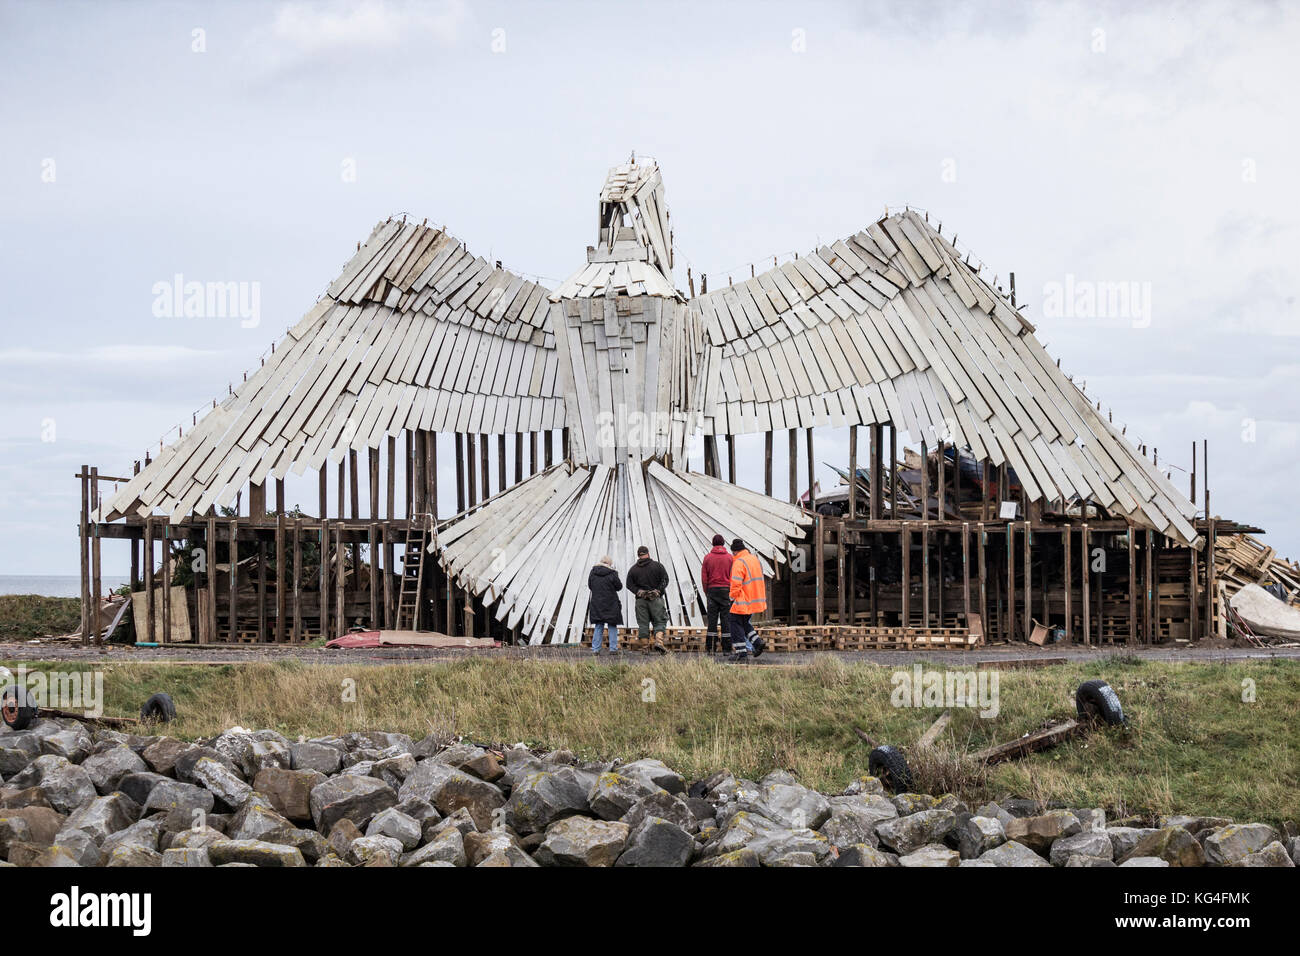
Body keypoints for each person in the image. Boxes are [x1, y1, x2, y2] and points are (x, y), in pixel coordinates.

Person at [728, 538, 767, 661]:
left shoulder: (739, 562)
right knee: (745, 623)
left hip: (742, 600)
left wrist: (731, 597)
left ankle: (742, 653)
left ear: (734, 551)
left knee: (734, 624)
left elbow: (736, 583)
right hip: (753, 599)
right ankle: (757, 643)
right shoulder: (754, 559)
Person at [626, 544, 669, 647]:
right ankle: (659, 642)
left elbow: (629, 584)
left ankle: (645, 647)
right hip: (656, 600)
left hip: (641, 601)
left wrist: (639, 591)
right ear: (648, 554)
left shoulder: (633, 570)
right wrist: (657, 590)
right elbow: (665, 580)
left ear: (638, 555)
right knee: (659, 621)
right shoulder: (658, 566)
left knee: (643, 624)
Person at [701, 534, 733, 655]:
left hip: (712, 591)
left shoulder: (707, 558)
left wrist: (706, 591)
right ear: (723, 543)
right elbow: (732, 576)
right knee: (726, 620)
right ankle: (727, 649)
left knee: (712, 620)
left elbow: (704, 578)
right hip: (726, 591)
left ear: (713, 543)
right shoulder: (730, 558)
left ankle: (711, 648)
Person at [587, 555, 623, 654]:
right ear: (609, 563)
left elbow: (590, 586)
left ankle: (595, 649)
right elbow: (619, 587)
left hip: (597, 603)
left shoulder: (593, 572)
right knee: (612, 625)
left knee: (599, 625)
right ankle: (613, 649)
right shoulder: (612, 573)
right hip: (611, 603)